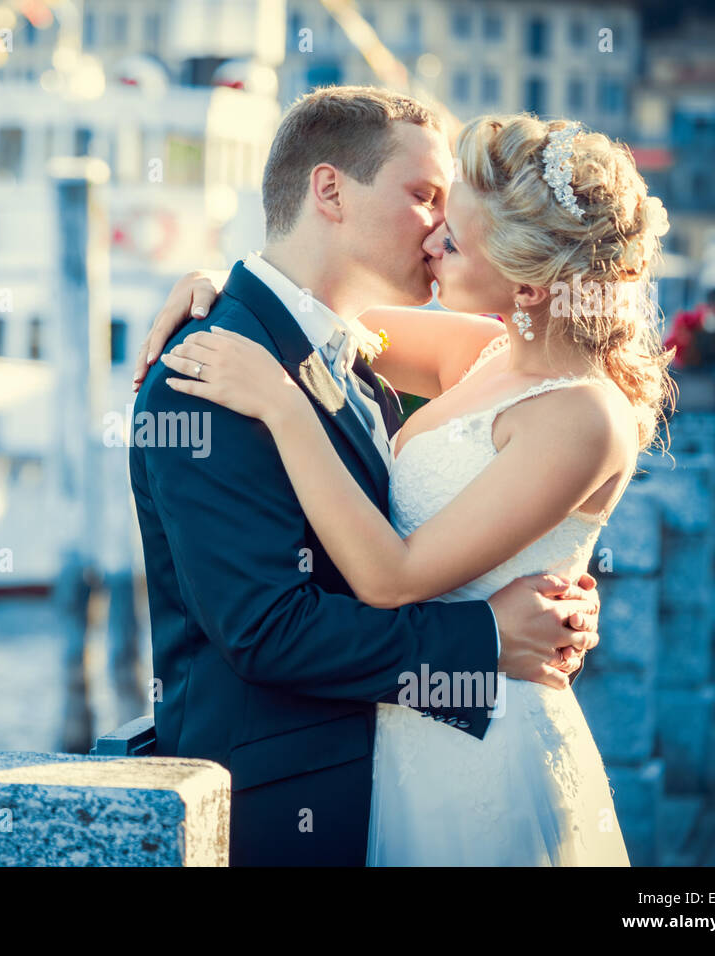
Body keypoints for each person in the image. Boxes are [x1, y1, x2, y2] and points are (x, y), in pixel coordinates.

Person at [128, 87, 617, 866]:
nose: (439, 231)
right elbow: (267, 632)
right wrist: (488, 636)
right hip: (288, 800)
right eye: (424, 197)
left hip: (417, 760)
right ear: (329, 190)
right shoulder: (209, 378)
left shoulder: (349, 356)